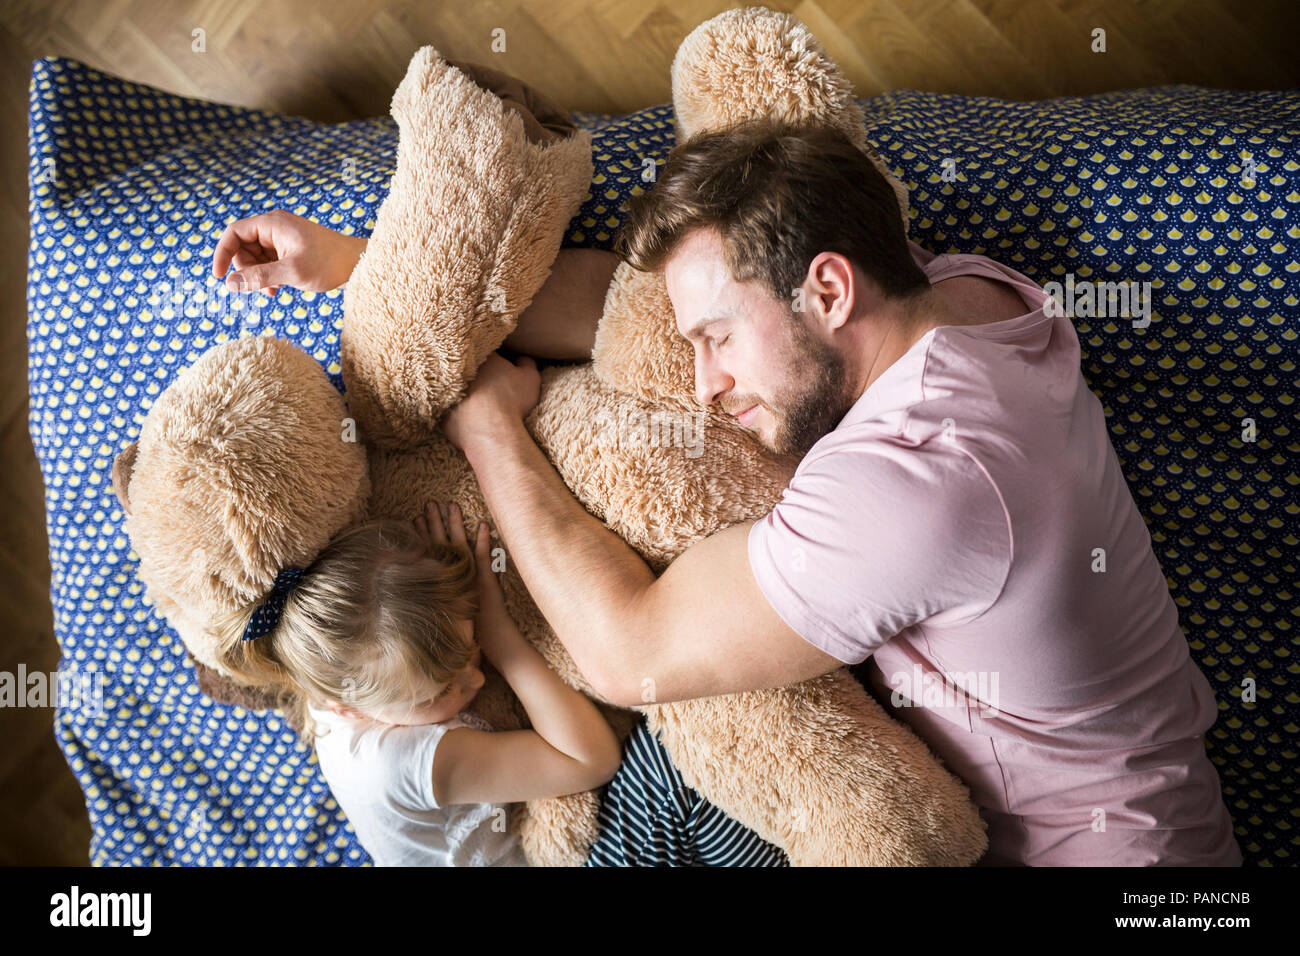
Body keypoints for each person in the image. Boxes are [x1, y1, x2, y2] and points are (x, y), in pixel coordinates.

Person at [435, 118, 1243, 867]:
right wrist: (399, 290)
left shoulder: (912, 486)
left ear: (828, 290)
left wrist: (489, 435)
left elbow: (631, 655)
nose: (704, 383)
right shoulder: (970, 296)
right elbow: (626, 313)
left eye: (717, 339)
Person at [217, 501, 621, 866]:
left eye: (473, 645)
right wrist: (500, 638)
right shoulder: (401, 763)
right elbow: (593, 760)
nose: (478, 678)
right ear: (347, 707)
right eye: (441, 691)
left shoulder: (340, 679)